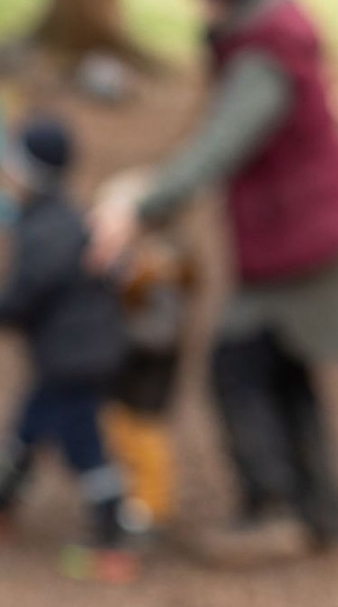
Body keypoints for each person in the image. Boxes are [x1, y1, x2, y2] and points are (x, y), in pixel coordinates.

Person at [92, 0, 338, 565]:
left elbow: (222, 144)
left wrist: (145, 206)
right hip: (300, 229)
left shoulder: (264, 56)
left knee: (238, 362)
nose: (198, 4)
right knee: (282, 366)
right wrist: (153, 186)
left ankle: (275, 509)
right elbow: (210, 136)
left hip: (300, 237)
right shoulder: (263, 35)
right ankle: (320, 509)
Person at [0, 117, 135, 584]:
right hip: (78, 354)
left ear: (26, 171)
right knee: (30, 425)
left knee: (85, 449)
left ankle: (114, 543)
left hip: (74, 360)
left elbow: (19, 300)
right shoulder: (64, 217)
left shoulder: (44, 232)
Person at [104, 216, 199, 536]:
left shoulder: (164, 275)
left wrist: (119, 333)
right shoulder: (141, 269)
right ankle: (136, 496)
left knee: (146, 437)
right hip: (133, 374)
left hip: (150, 376)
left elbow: (159, 336)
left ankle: (151, 505)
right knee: (122, 431)